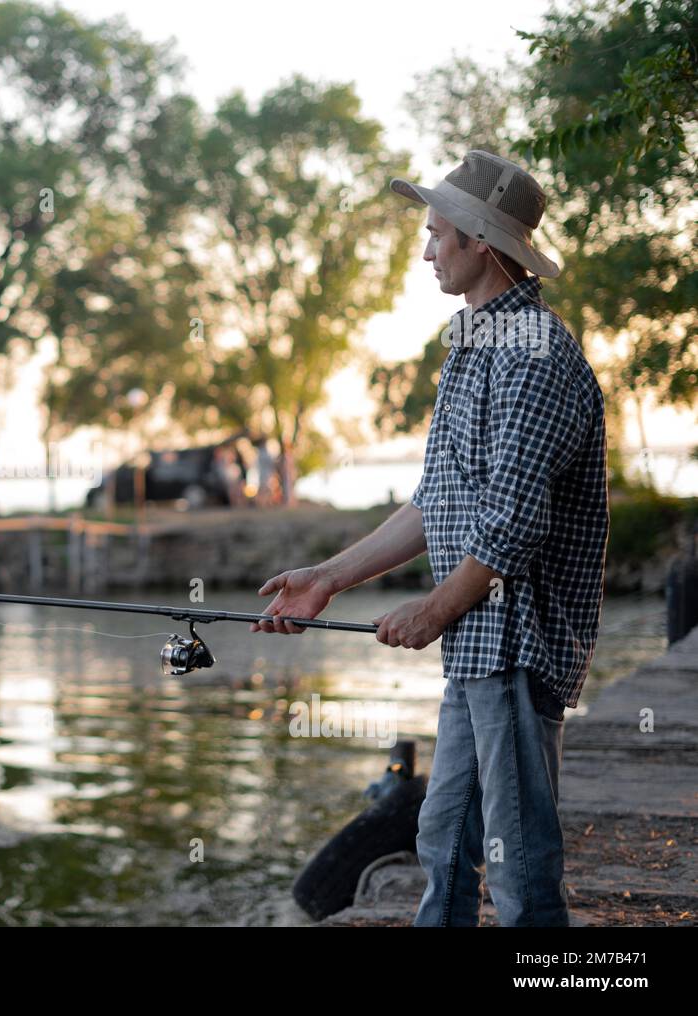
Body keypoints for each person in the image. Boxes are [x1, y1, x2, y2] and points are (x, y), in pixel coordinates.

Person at [249, 150, 609, 927]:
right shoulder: (474, 347)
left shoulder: (537, 356)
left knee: (518, 865)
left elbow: (513, 520)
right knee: (442, 840)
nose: (425, 250)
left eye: (436, 233)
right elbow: (435, 505)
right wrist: (329, 577)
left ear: (481, 241)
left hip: (514, 641)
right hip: (477, 644)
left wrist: (433, 611)